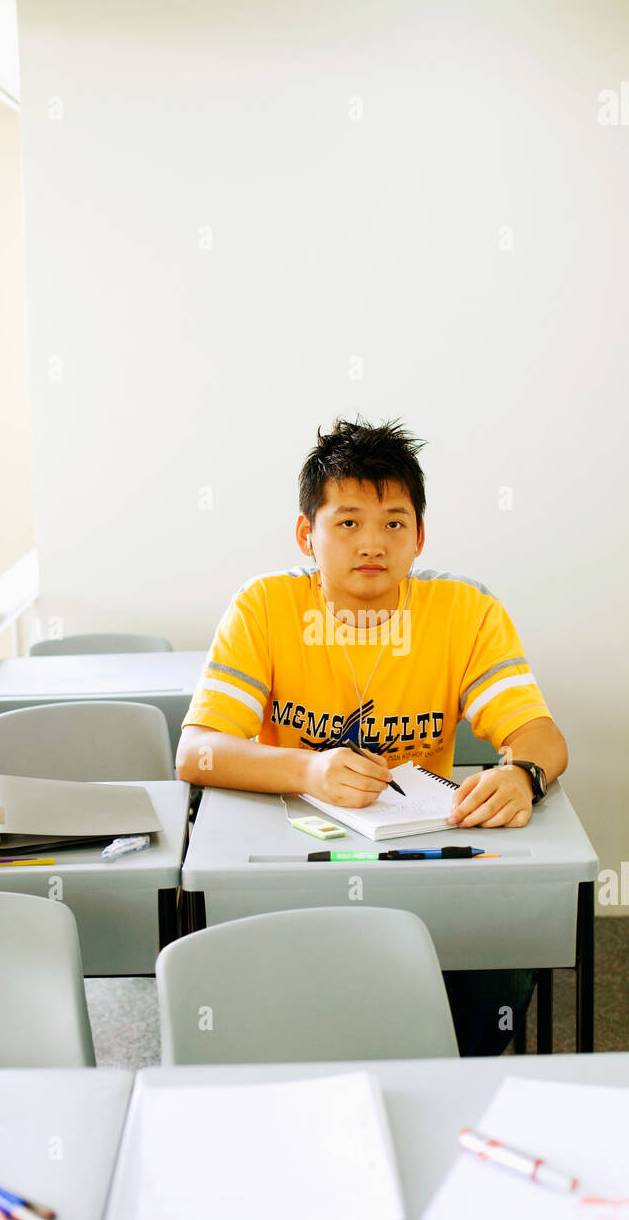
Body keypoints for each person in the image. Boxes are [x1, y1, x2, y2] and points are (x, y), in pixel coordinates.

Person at [176, 416, 568, 1054]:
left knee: (495, 970)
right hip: (290, 862)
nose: (373, 543)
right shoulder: (265, 607)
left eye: (394, 522)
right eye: (348, 521)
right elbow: (195, 751)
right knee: (285, 1010)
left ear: (419, 537)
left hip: (421, 859)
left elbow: (543, 736)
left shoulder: (465, 613)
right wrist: (308, 771)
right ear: (308, 534)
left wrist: (520, 775)